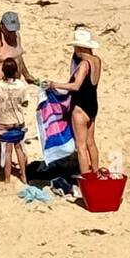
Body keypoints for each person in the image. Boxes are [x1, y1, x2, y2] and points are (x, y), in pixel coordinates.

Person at [49, 26, 102, 175]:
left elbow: (76, 85)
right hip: (93, 104)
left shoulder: (84, 64)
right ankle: (96, 173)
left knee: (81, 147)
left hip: (80, 108)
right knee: (91, 142)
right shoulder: (96, 60)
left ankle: (86, 179)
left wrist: (55, 84)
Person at [0, 12, 35, 145]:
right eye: (9, 30)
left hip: (16, 88)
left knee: (16, 122)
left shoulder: (17, 36)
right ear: (1, 26)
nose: (12, 33)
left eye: (14, 30)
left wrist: (27, 75)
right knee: (0, 127)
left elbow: (19, 58)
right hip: (1, 89)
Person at [0, 58, 30, 185]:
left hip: (5, 122)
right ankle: (23, 176)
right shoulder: (21, 85)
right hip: (17, 121)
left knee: (7, 151)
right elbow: (25, 103)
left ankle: (7, 178)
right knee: (19, 149)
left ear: (3, 71)